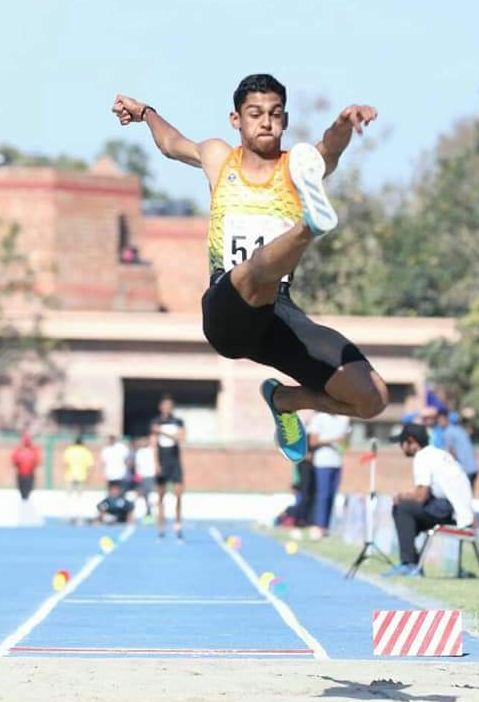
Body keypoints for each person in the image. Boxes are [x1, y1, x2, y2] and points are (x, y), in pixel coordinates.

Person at [112, 76, 388, 465]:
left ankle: (284, 400)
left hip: (277, 315)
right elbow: (172, 144)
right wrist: (145, 114)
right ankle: (310, 226)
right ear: (235, 120)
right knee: (254, 272)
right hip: (227, 310)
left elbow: (329, 148)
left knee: (372, 398)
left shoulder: (300, 166)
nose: (266, 123)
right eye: (255, 114)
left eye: (275, 115)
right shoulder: (218, 158)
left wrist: (345, 123)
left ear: (286, 120)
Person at [383, 423, 474, 577]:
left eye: (402, 443)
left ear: (411, 442)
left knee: (401, 507)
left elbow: (420, 497)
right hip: (460, 511)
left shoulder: (422, 457)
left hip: (451, 510)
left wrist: (401, 496)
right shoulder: (437, 454)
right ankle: (414, 562)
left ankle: (409, 564)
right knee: (408, 513)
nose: (401, 447)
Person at [306, 411, 350, 535]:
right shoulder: (319, 418)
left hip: (337, 462)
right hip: (322, 462)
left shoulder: (344, 418)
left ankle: (326, 527)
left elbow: (346, 441)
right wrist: (333, 440)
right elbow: (313, 442)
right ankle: (318, 525)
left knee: (332, 495)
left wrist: (344, 442)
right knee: (323, 495)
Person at [151, 395, 185, 539]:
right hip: (162, 461)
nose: (167, 408)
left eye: (169, 405)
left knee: (178, 495)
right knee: (161, 496)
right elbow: (153, 444)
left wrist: (162, 431)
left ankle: (177, 525)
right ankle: (161, 526)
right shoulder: (155, 422)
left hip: (175, 461)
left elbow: (180, 438)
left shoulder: (178, 422)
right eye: (164, 405)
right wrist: (156, 464)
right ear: (161, 407)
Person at [439, 408, 479, 491]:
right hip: (473, 468)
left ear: (445, 419)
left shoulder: (448, 432)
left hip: (464, 470)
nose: (439, 423)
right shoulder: (461, 430)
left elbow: (452, 452)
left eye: (439, 420)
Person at [63, 434, 94, 524]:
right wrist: (89, 477)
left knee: (69, 497)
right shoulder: (85, 451)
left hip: (70, 476)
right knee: (80, 498)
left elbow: (65, 463)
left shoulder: (70, 450)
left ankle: (69, 515)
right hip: (82, 476)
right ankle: (79, 516)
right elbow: (90, 465)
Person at [11, 432, 41, 501]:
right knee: (22, 491)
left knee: (28, 491)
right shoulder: (19, 449)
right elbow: (14, 459)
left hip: (30, 474)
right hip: (21, 473)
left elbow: (37, 460)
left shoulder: (33, 450)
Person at [133, 436, 157, 521]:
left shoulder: (152, 450)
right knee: (145, 496)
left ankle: (153, 513)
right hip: (142, 476)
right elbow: (137, 465)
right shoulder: (139, 452)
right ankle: (148, 513)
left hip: (151, 476)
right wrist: (137, 475)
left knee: (152, 495)